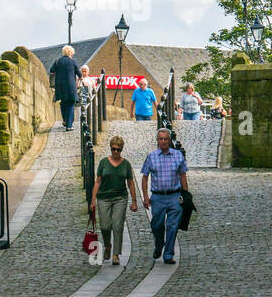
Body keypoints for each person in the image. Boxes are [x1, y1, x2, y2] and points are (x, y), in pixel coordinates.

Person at [140, 127, 188, 265]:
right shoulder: (151, 156)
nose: (163, 141)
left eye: (165, 139)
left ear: (169, 140)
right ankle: (159, 244)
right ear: (157, 141)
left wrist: (185, 195)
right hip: (158, 197)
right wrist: (145, 197)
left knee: (172, 226)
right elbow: (144, 177)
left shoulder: (178, 155)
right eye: (160, 139)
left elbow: (183, 176)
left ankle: (168, 254)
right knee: (157, 225)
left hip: (174, 196)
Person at [89, 135, 138, 265]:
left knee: (117, 225)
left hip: (120, 198)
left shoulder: (126, 164)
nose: (116, 152)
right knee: (105, 226)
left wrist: (134, 201)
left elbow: (131, 183)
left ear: (122, 149)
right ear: (110, 149)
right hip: (103, 198)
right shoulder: (104, 163)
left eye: (118, 150)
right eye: (113, 149)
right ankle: (107, 245)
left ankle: (116, 254)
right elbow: (98, 181)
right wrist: (93, 199)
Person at [50, 45, 83, 130]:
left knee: (63, 103)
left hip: (60, 87)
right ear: (71, 53)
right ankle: (69, 125)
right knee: (71, 104)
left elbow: (51, 71)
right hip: (70, 87)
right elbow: (80, 74)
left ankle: (65, 120)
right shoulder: (73, 62)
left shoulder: (57, 61)